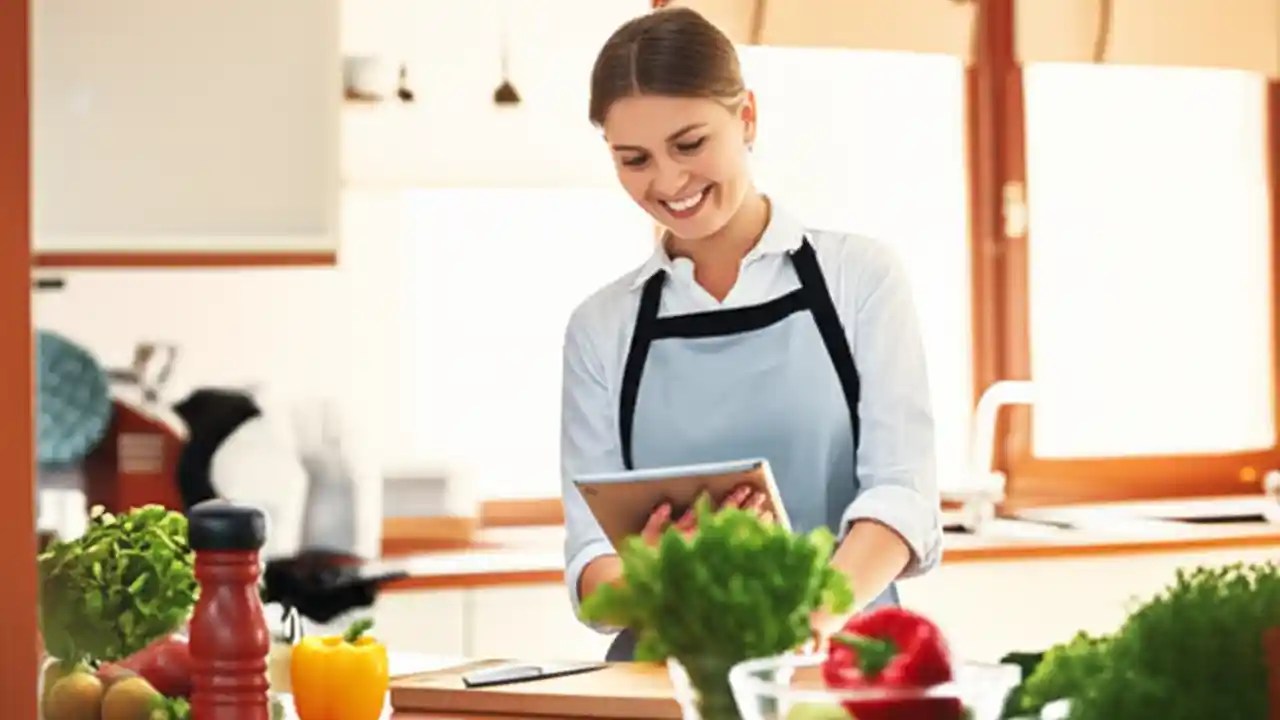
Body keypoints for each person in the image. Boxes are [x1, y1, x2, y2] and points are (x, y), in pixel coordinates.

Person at [559, 6, 942, 662]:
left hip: (835, 663)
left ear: (748, 118)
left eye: (689, 144)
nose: (668, 182)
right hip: (665, 676)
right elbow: (592, 555)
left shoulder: (860, 278)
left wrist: (808, 618)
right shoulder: (602, 327)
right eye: (634, 159)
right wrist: (660, 581)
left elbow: (901, 496)